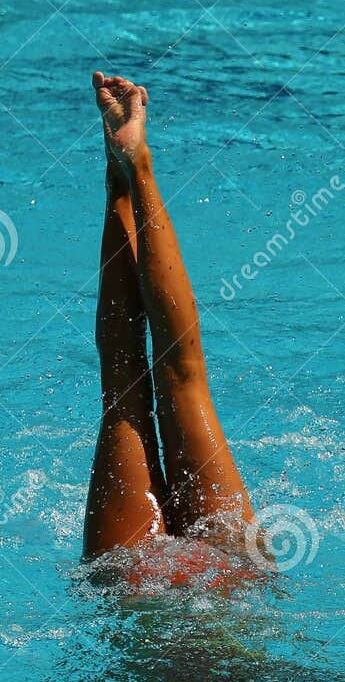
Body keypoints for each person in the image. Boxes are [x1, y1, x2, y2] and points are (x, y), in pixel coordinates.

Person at [82, 72, 255, 571]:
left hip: (215, 576)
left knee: (181, 379)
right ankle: (127, 171)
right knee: (134, 387)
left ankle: (132, 172)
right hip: (164, 577)